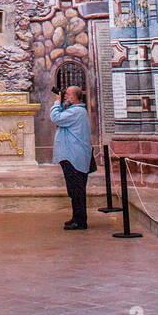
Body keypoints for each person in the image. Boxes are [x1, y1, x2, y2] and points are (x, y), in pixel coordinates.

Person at [50, 85, 92, 231]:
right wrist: (61, 102)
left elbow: (56, 118)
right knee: (74, 190)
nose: (64, 96)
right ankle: (76, 217)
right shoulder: (74, 111)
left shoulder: (77, 112)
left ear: (74, 97)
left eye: (67, 95)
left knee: (77, 189)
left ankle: (80, 221)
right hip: (72, 156)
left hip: (74, 157)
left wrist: (56, 101)